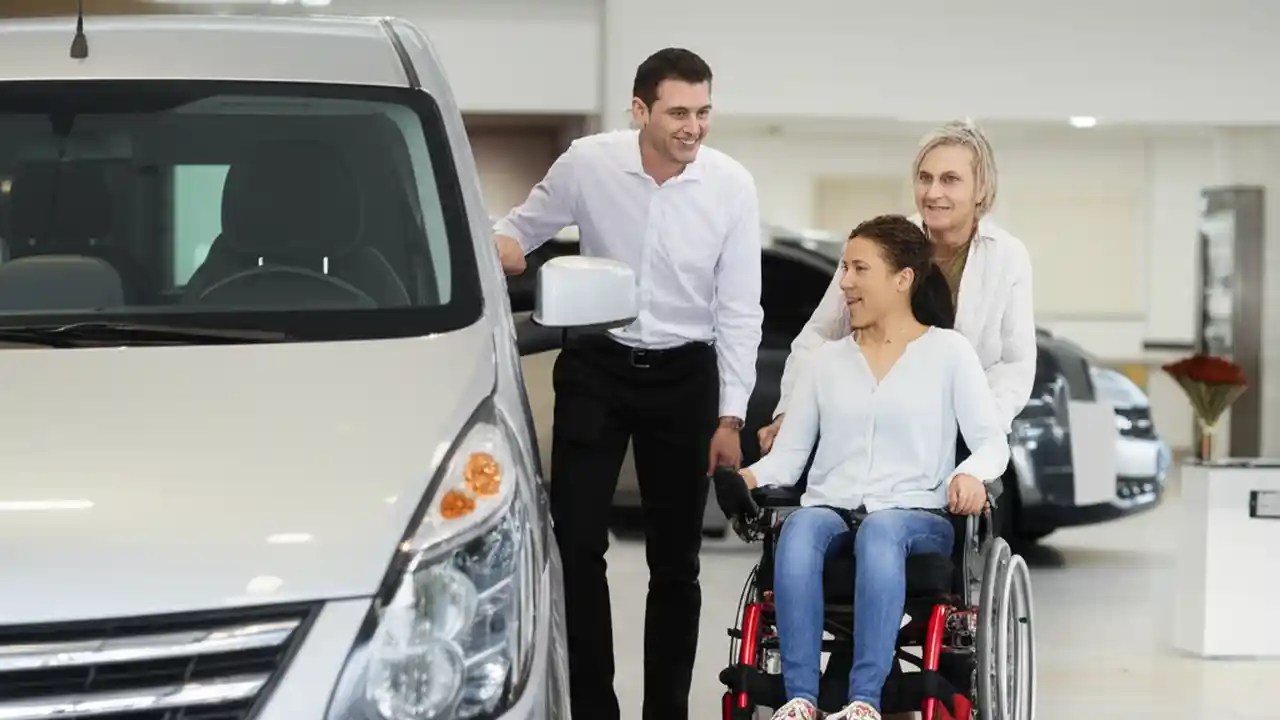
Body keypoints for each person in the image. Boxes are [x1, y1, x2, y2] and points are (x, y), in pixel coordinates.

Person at [492, 48, 764, 720]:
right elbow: (520, 231)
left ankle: (665, 711)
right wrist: (494, 248)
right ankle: (593, 708)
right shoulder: (588, 163)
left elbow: (739, 310)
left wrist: (729, 418)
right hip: (598, 364)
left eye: (703, 112)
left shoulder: (731, 186)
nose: (692, 127)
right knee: (576, 542)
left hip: (686, 375)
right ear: (640, 110)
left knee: (677, 563)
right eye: (677, 112)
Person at [734, 214, 1010, 720]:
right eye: (844, 268)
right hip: (833, 508)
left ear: (902, 279)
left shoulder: (949, 354)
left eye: (859, 269)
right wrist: (744, 480)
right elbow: (790, 456)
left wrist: (969, 474)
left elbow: (992, 444)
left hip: (916, 516)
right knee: (799, 529)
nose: (845, 282)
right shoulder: (826, 362)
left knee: (880, 532)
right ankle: (801, 699)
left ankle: (864, 701)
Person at [758, 119, 1036, 457]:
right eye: (925, 178)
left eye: (950, 180)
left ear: (981, 189)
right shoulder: (884, 243)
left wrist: (975, 424)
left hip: (967, 433)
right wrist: (790, 412)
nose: (933, 192)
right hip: (882, 429)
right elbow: (820, 335)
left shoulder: (1008, 256)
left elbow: (1015, 365)